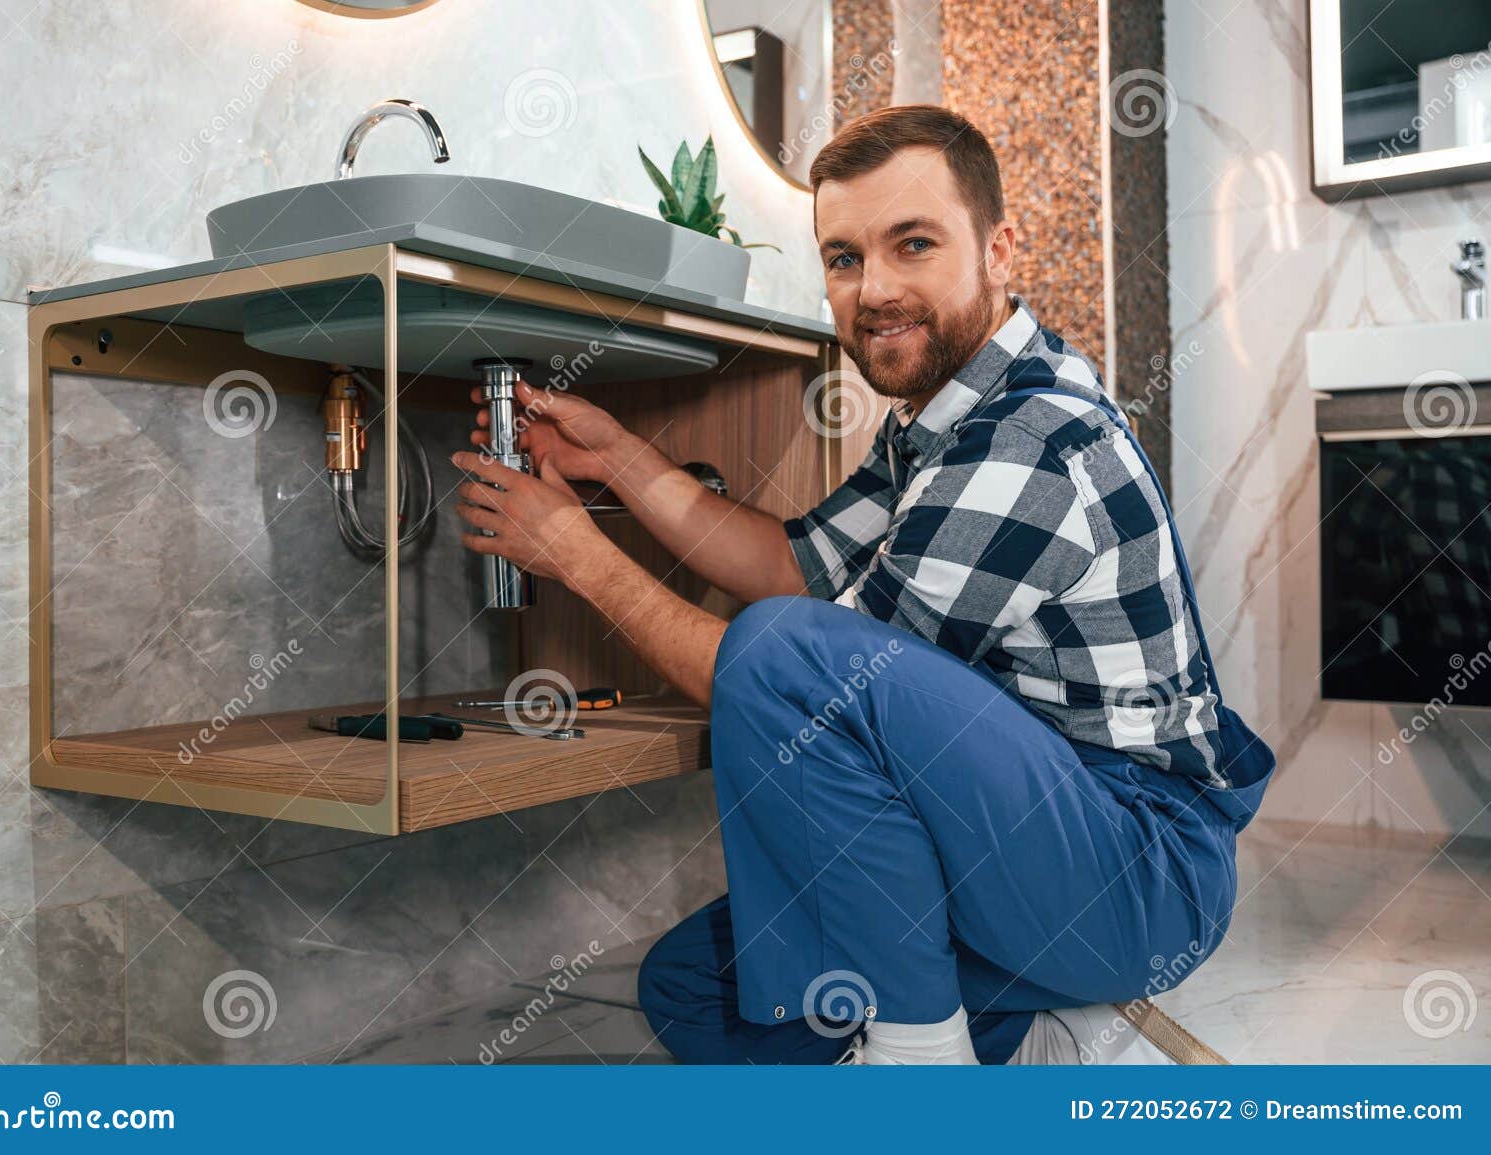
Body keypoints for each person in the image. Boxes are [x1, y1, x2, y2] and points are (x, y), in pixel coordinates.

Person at [449, 104, 1275, 1065]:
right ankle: (1038, 1028)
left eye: (912, 243)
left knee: (780, 647)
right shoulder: (946, 415)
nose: (873, 289)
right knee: (693, 987)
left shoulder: (1024, 442)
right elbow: (792, 562)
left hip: (1134, 869)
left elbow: (798, 679)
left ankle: (921, 1062)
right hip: (1030, 831)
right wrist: (621, 460)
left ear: (998, 249)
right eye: (844, 258)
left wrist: (578, 556)